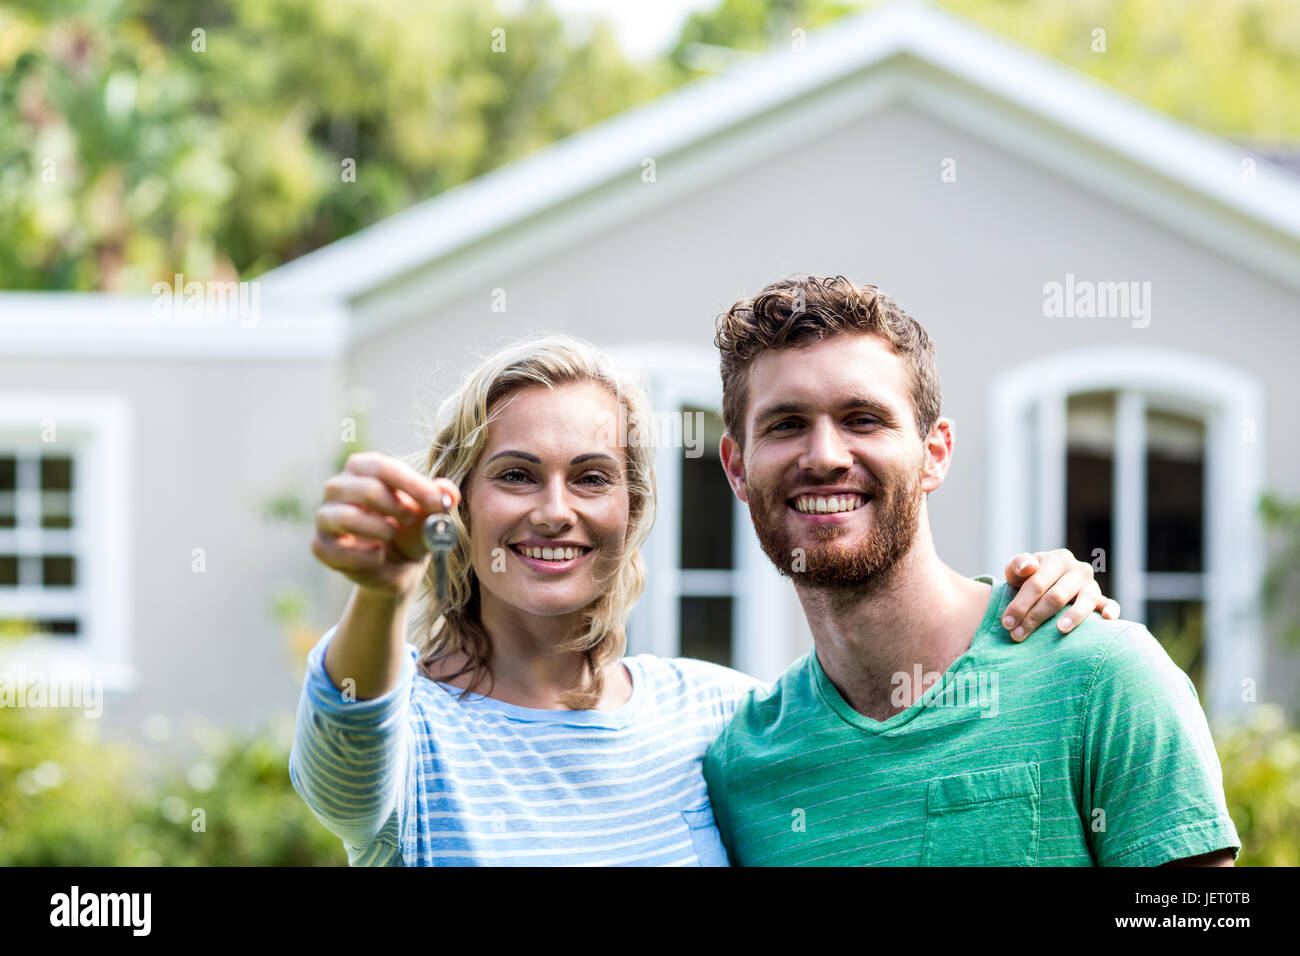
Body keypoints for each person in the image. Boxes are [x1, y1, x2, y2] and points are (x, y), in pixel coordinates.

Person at [290, 334, 1120, 866]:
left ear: (631, 512)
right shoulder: (415, 728)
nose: (555, 509)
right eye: (515, 475)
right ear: (459, 505)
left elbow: (883, 762)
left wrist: (1026, 605)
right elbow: (343, 762)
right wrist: (381, 590)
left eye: (591, 477)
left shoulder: (718, 718)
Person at [703, 275, 1241, 866]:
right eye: (785, 425)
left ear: (934, 454)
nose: (826, 455)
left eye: (863, 418)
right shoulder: (742, 765)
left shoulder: (1103, 679)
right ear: (736, 470)